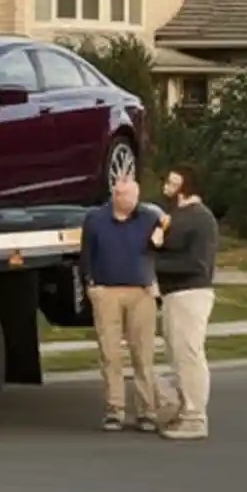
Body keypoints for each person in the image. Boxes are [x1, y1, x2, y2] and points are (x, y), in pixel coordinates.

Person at [79, 177, 163, 432]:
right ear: (116, 195)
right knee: (110, 353)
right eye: (127, 196)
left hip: (141, 291)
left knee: (143, 353)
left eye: (135, 197)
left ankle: (147, 411)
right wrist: (91, 285)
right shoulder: (96, 219)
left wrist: (154, 281)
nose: (132, 202)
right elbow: (86, 254)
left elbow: (162, 249)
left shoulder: (149, 218)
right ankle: (114, 409)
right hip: (107, 291)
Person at [151, 164, 219, 441]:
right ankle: (182, 410)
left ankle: (195, 418)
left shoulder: (201, 219)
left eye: (172, 181)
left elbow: (196, 264)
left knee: (189, 356)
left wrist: (153, 262)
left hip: (191, 295)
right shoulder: (178, 215)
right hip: (174, 295)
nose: (167, 184)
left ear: (185, 185)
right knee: (177, 357)